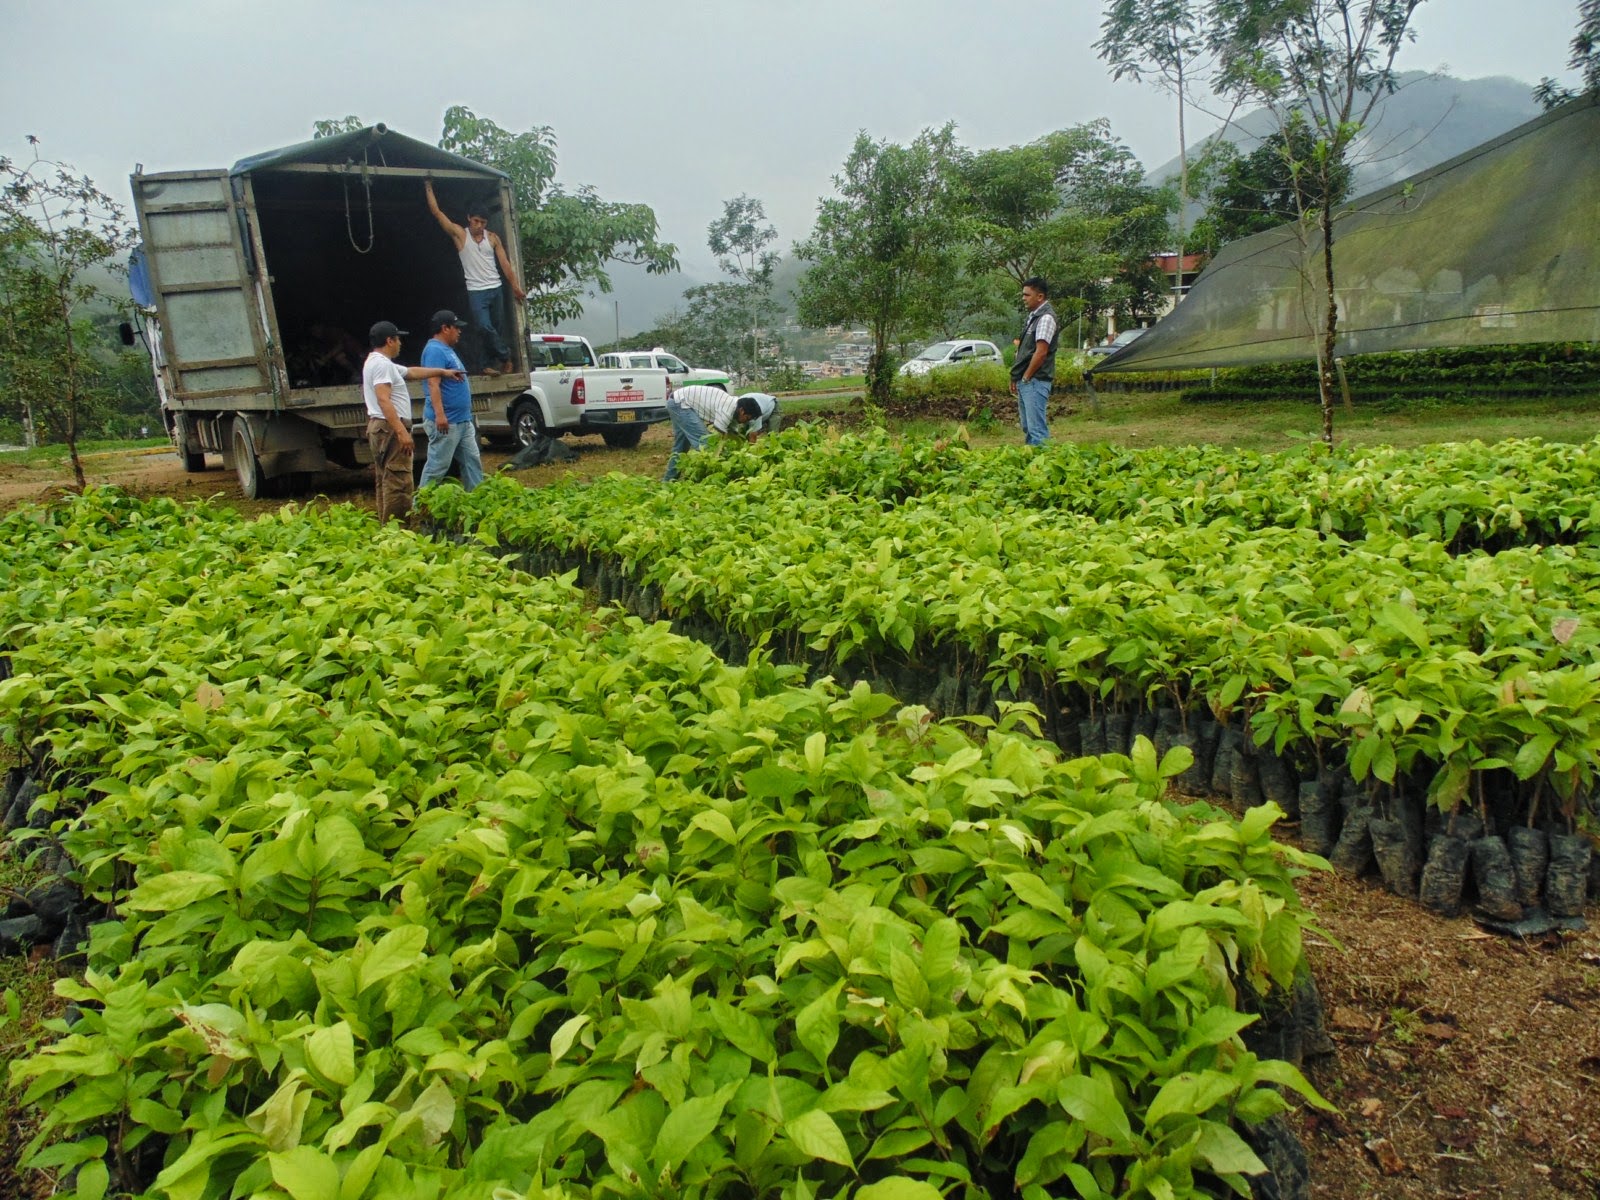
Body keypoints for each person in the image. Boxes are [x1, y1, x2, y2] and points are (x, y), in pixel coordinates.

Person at [362, 320, 463, 523]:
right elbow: (384, 399)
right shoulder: (382, 365)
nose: (400, 343)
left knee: (385, 479)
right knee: (398, 481)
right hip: (390, 426)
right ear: (389, 340)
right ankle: (399, 532)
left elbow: (412, 372)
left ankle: (387, 528)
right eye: (398, 339)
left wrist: (443, 372)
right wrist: (401, 432)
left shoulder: (377, 362)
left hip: (380, 426)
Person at [424, 180, 525, 375]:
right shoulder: (461, 235)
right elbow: (437, 213)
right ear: (469, 218)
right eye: (476, 221)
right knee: (484, 327)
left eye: (483, 222)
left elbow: (505, 264)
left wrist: (515, 287)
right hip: (476, 290)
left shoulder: (493, 238)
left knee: (495, 329)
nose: (479, 226)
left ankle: (486, 364)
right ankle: (505, 356)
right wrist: (428, 186)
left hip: (495, 288)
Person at [416, 309, 483, 494]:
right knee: (438, 466)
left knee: (472, 461)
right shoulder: (434, 350)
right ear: (445, 328)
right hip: (447, 422)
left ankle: (477, 500)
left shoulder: (448, 350)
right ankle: (422, 507)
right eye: (456, 327)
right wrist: (440, 415)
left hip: (462, 420)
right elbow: (433, 383)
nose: (459, 331)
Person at [662, 384, 771, 480]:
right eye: (747, 418)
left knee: (681, 447)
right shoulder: (728, 409)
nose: (745, 422)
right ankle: (712, 478)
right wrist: (724, 458)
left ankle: (668, 481)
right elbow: (719, 436)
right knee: (706, 444)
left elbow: (733, 433)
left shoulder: (735, 407)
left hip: (677, 401)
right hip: (681, 404)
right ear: (742, 411)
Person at [1009, 276, 1060, 447]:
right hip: (1027, 380)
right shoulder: (1034, 317)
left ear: (1040, 297)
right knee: (1028, 427)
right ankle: (1033, 464)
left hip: (1035, 380)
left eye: (1027, 295)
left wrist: (1026, 377)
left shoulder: (1045, 318)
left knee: (1036, 429)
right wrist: (1016, 376)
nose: (1023, 298)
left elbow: (1041, 353)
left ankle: (1043, 466)